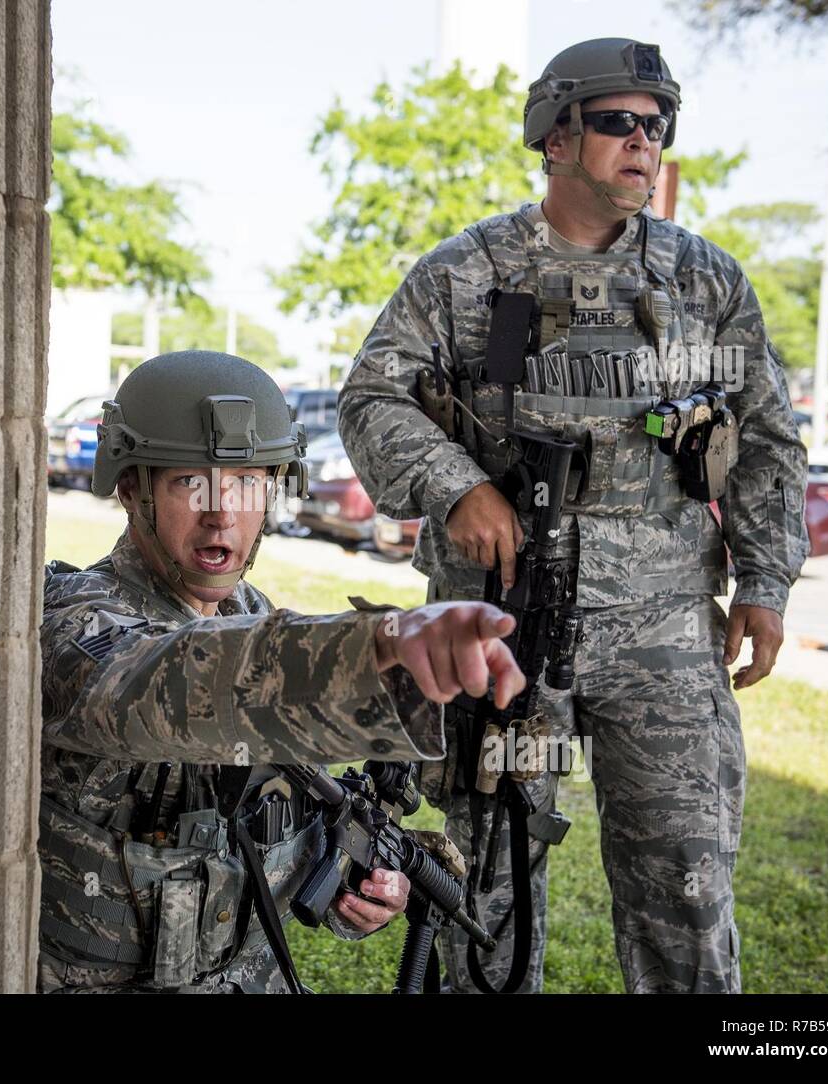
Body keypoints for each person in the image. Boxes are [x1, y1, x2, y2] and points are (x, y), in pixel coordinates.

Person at [337, 38, 809, 993]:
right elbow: (370, 397)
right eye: (618, 123)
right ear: (555, 135)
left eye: (658, 126)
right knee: (492, 879)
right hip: (506, 624)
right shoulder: (466, 273)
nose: (645, 143)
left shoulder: (704, 284)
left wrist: (764, 581)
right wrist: (456, 483)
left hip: (667, 635)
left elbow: (765, 439)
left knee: (686, 877)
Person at [38, 349, 527, 992]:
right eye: (191, 482)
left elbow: (277, 815)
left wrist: (360, 884)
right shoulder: (72, 620)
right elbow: (171, 682)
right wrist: (375, 647)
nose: (223, 513)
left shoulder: (250, 613)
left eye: (246, 483)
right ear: (132, 490)